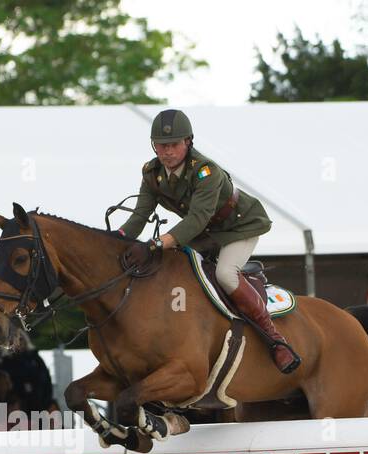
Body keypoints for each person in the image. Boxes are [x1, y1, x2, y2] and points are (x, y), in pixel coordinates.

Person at [115, 108, 295, 373]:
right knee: (170, 269)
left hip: (239, 227)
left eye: (174, 144)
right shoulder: (152, 173)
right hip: (205, 234)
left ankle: (276, 339)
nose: (167, 152)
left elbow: (197, 218)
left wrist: (154, 245)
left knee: (225, 274)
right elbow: (140, 215)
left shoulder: (205, 171)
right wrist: (114, 240)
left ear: (188, 141)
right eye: (161, 145)